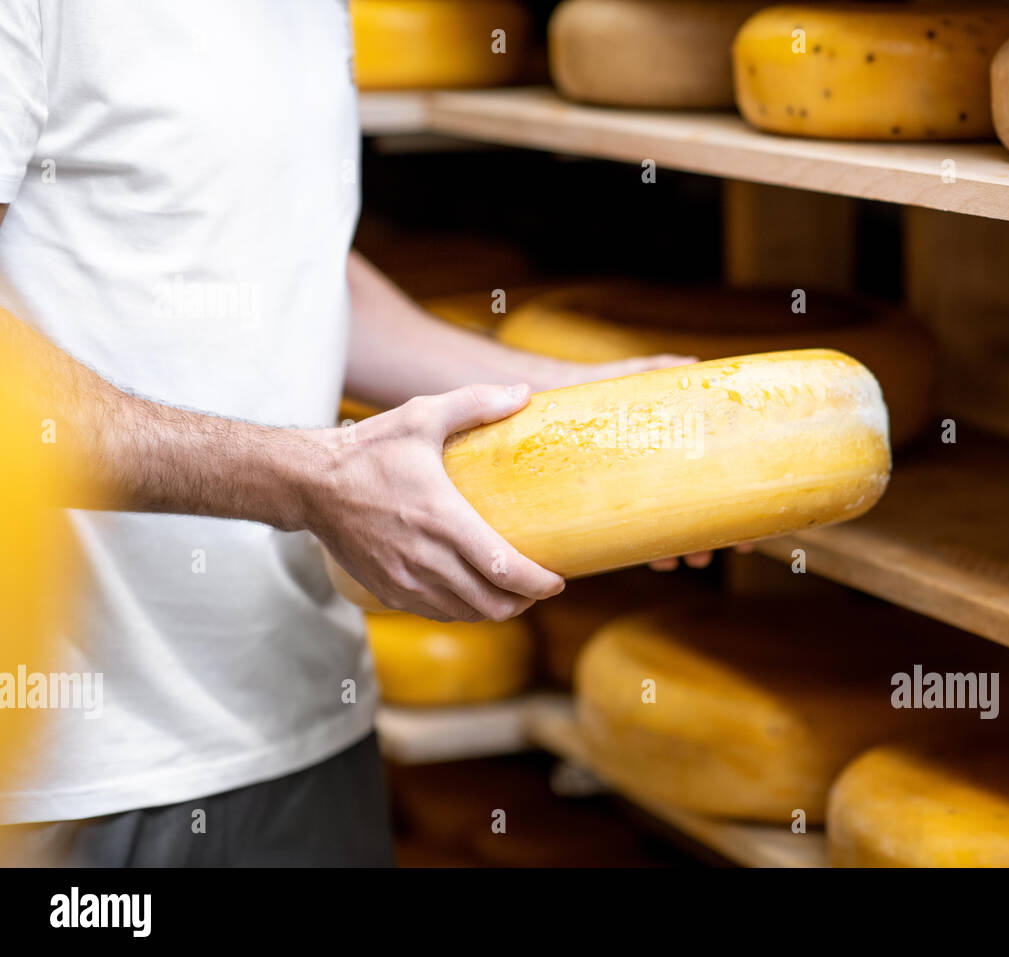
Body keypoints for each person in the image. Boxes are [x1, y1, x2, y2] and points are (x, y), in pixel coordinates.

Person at [0, 0, 703, 866]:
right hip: (79, 777)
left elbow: (277, 257)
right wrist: (311, 481)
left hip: (309, 718)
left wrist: (565, 394)